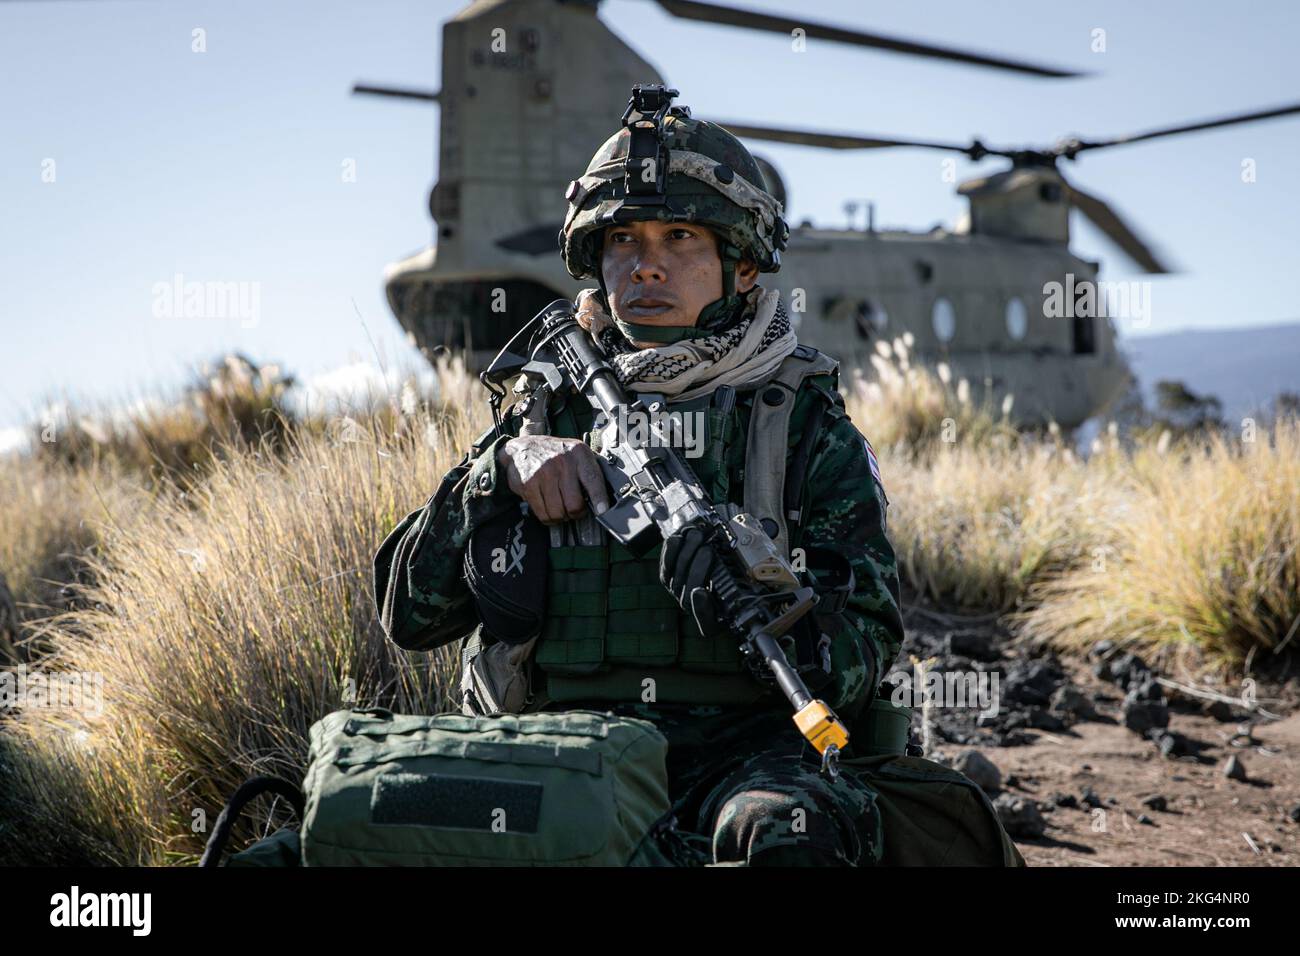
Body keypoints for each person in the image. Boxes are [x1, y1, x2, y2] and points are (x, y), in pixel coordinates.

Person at [373, 87, 904, 866]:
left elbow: (868, 646)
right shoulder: (541, 408)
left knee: (784, 838)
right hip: (554, 750)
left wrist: (767, 595)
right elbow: (406, 614)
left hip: (747, 757)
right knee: (366, 824)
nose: (647, 264)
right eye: (623, 239)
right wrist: (499, 474)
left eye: (680, 236)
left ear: (742, 262)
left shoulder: (797, 419)